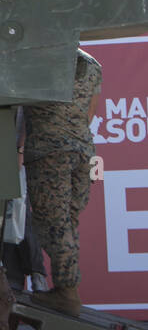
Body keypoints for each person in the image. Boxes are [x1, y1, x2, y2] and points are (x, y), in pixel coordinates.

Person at [21, 49, 103, 315]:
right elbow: (90, 111)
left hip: (50, 155)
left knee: (55, 224)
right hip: (82, 151)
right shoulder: (92, 64)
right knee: (68, 222)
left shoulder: (38, 59)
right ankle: (66, 289)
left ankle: (67, 292)